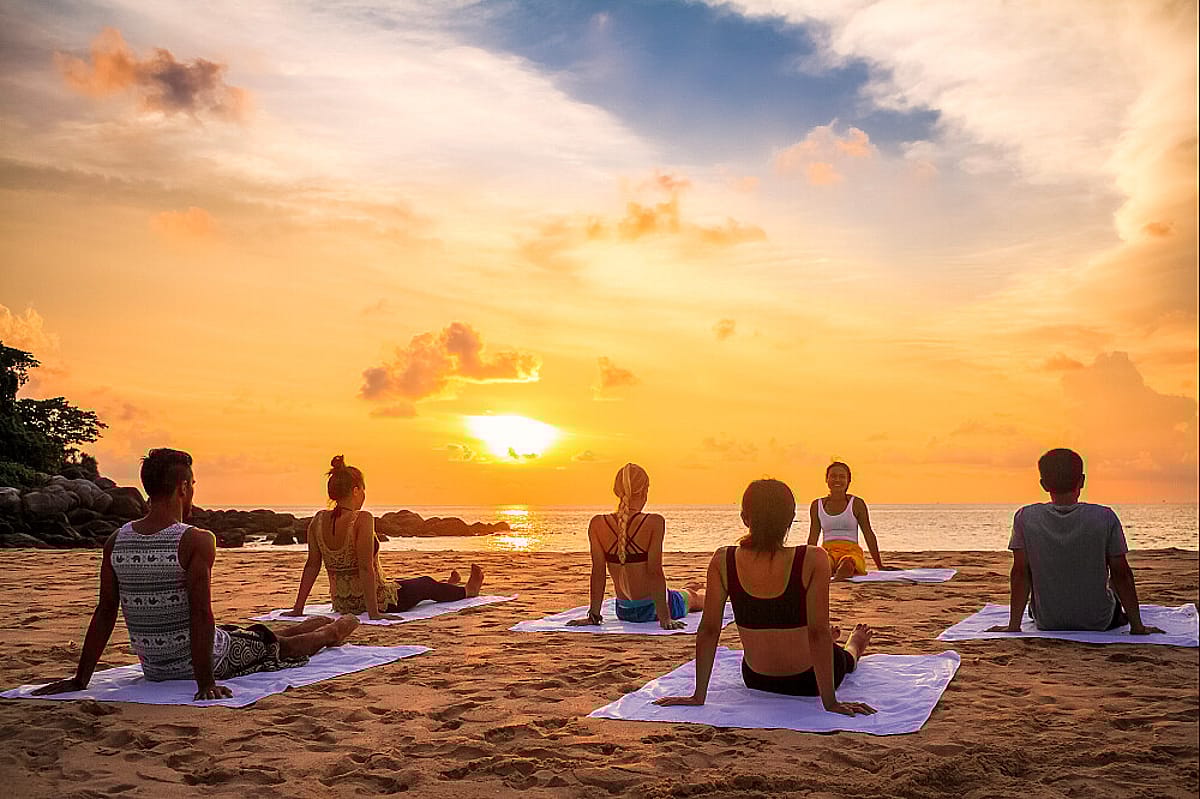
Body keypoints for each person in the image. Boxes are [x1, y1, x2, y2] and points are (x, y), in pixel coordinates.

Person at [33, 449, 359, 702]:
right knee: (283, 647)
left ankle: (317, 623)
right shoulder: (195, 540)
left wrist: (81, 679)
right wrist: (206, 683)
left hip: (155, 666)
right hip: (205, 660)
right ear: (183, 487)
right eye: (193, 486)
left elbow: (105, 612)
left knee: (257, 635)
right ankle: (334, 631)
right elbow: (200, 613)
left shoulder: (116, 540)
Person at [654, 479, 875, 715]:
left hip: (757, 677)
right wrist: (830, 703)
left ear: (744, 518)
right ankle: (855, 644)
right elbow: (817, 633)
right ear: (791, 519)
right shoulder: (812, 558)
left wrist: (698, 696)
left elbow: (709, 630)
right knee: (844, 659)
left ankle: (836, 642)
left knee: (819, 638)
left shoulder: (723, 560)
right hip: (808, 682)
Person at [987, 448, 1163, 635]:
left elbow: (1020, 573)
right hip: (1099, 620)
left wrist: (1013, 626)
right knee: (1113, 584)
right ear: (1082, 481)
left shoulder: (1025, 517)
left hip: (1047, 620)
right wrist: (1138, 627)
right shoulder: (1104, 517)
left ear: (1044, 485)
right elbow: (1122, 574)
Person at [287, 456, 484, 620]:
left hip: (341, 603)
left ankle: (447, 586)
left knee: (406, 583)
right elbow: (365, 567)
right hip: (376, 601)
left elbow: (312, 566)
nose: (364, 495)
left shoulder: (318, 520)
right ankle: (468, 591)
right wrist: (375, 613)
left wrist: (298, 609)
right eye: (363, 489)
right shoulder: (361, 519)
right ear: (356, 490)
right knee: (425, 584)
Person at [566, 463, 703, 630]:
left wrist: (594, 616)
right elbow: (655, 572)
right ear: (645, 491)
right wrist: (665, 619)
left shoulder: (597, 523)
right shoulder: (654, 522)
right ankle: (690, 590)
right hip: (652, 610)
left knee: (682, 592)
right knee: (695, 598)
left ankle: (687, 588)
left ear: (616, 491)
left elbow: (598, 573)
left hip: (624, 611)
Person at [807, 462, 893, 580]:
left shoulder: (856, 504)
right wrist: (808, 562)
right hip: (828, 551)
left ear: (848, 480)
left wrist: (880, 565)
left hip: (851, 552)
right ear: (826, 479)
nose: (837, 480)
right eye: (833, 476)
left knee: (846, 565)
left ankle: (837, 581)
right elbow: (813, 537)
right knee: (824, 564)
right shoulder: (817, 505)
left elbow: (868, 533)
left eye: (842, 477)